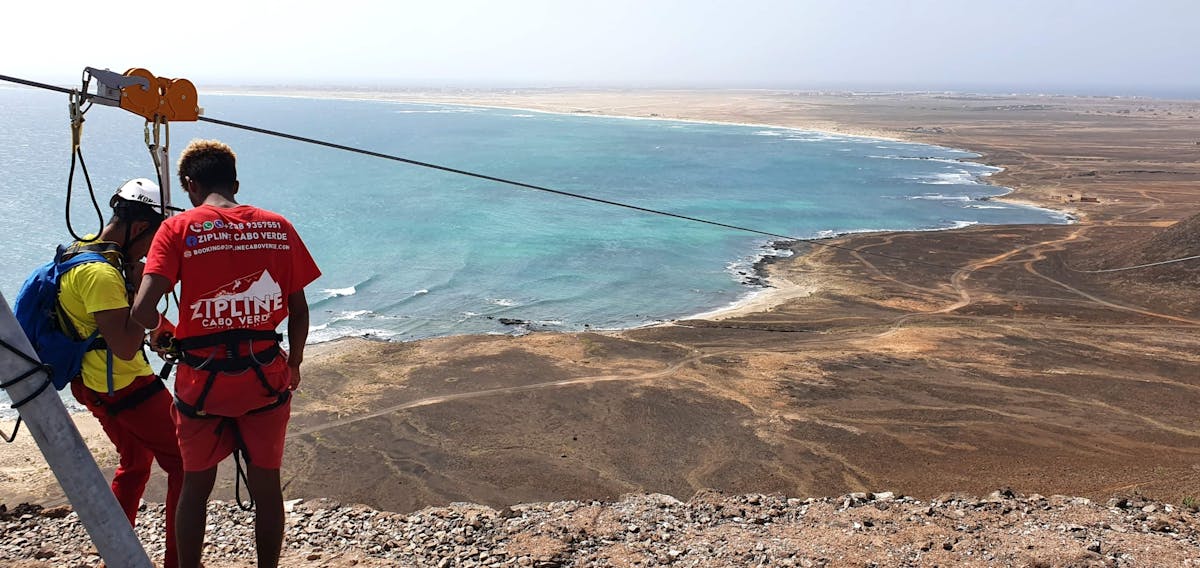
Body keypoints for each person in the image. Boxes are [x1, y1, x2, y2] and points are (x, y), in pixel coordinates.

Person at [132, 139, 321, 568]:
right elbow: (299, 309)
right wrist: (294, 363)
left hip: (202, 383)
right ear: (235, 182)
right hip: (263, 378)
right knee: (267, 488)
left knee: (195, 488)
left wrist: (163, 334)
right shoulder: (278, 226)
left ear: (189, 185)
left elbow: (143, 310)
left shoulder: (178, 229)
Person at [59, 178, 184, 568]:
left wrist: (152, 319)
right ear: (142, 228)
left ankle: (116, 552)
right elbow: (125, 344)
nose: (152, 252)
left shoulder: (90, 253)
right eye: (153, 240)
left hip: (92, 384)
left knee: (134, 463)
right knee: (187, 463)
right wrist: (152, 290)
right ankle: (178, 562)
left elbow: (120, 318)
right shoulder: (101, 274)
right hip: (123, 386)